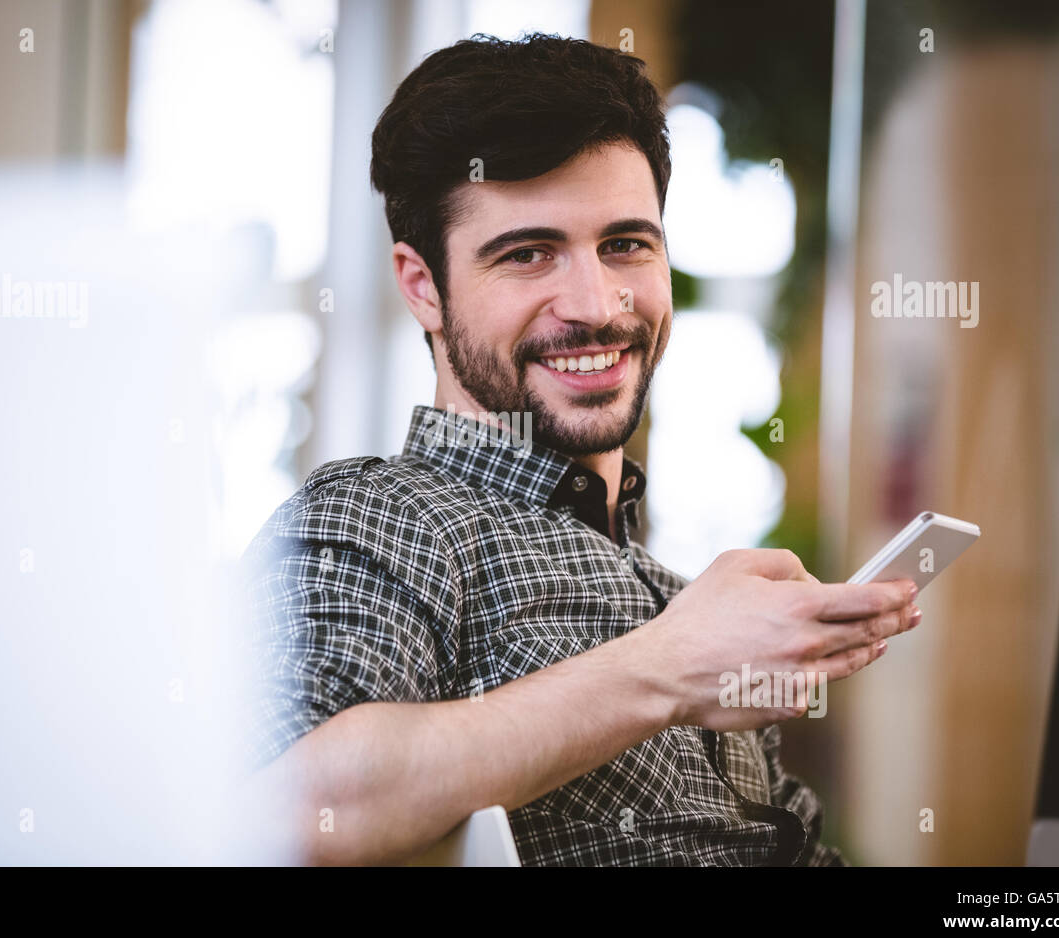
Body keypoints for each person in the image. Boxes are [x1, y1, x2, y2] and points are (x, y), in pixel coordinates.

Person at [241, 33, 920, 866]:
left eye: (625, 245)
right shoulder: (380, 519)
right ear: (423, 286)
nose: (597, 304)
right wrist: (671, 667)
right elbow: (279, 815)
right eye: (528, 254)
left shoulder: (678, 601)